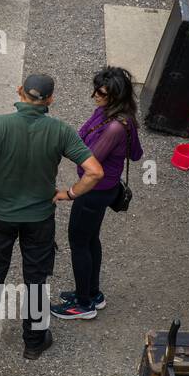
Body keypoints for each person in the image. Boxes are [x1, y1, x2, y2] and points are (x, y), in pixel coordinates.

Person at [0, 74, 104, 359]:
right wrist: (69, 193)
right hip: (40, 218)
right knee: (36, 278)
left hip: (0, 215)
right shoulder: (61, 131)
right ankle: (34, 342)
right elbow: (95, 171)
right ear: (50, 100)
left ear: (19, 91)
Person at [52, 66, 144, 319]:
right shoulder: (120, 117)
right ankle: (92, 293)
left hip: (92, 193)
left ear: (115, 95)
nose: (96, 95)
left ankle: (83, 305)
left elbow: (88, 161)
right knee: (91, 239)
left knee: (79, 242)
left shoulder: (113, 127)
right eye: (96, 89)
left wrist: (69, 193)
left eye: (102, 93)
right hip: (107, 190)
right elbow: (136, 154)